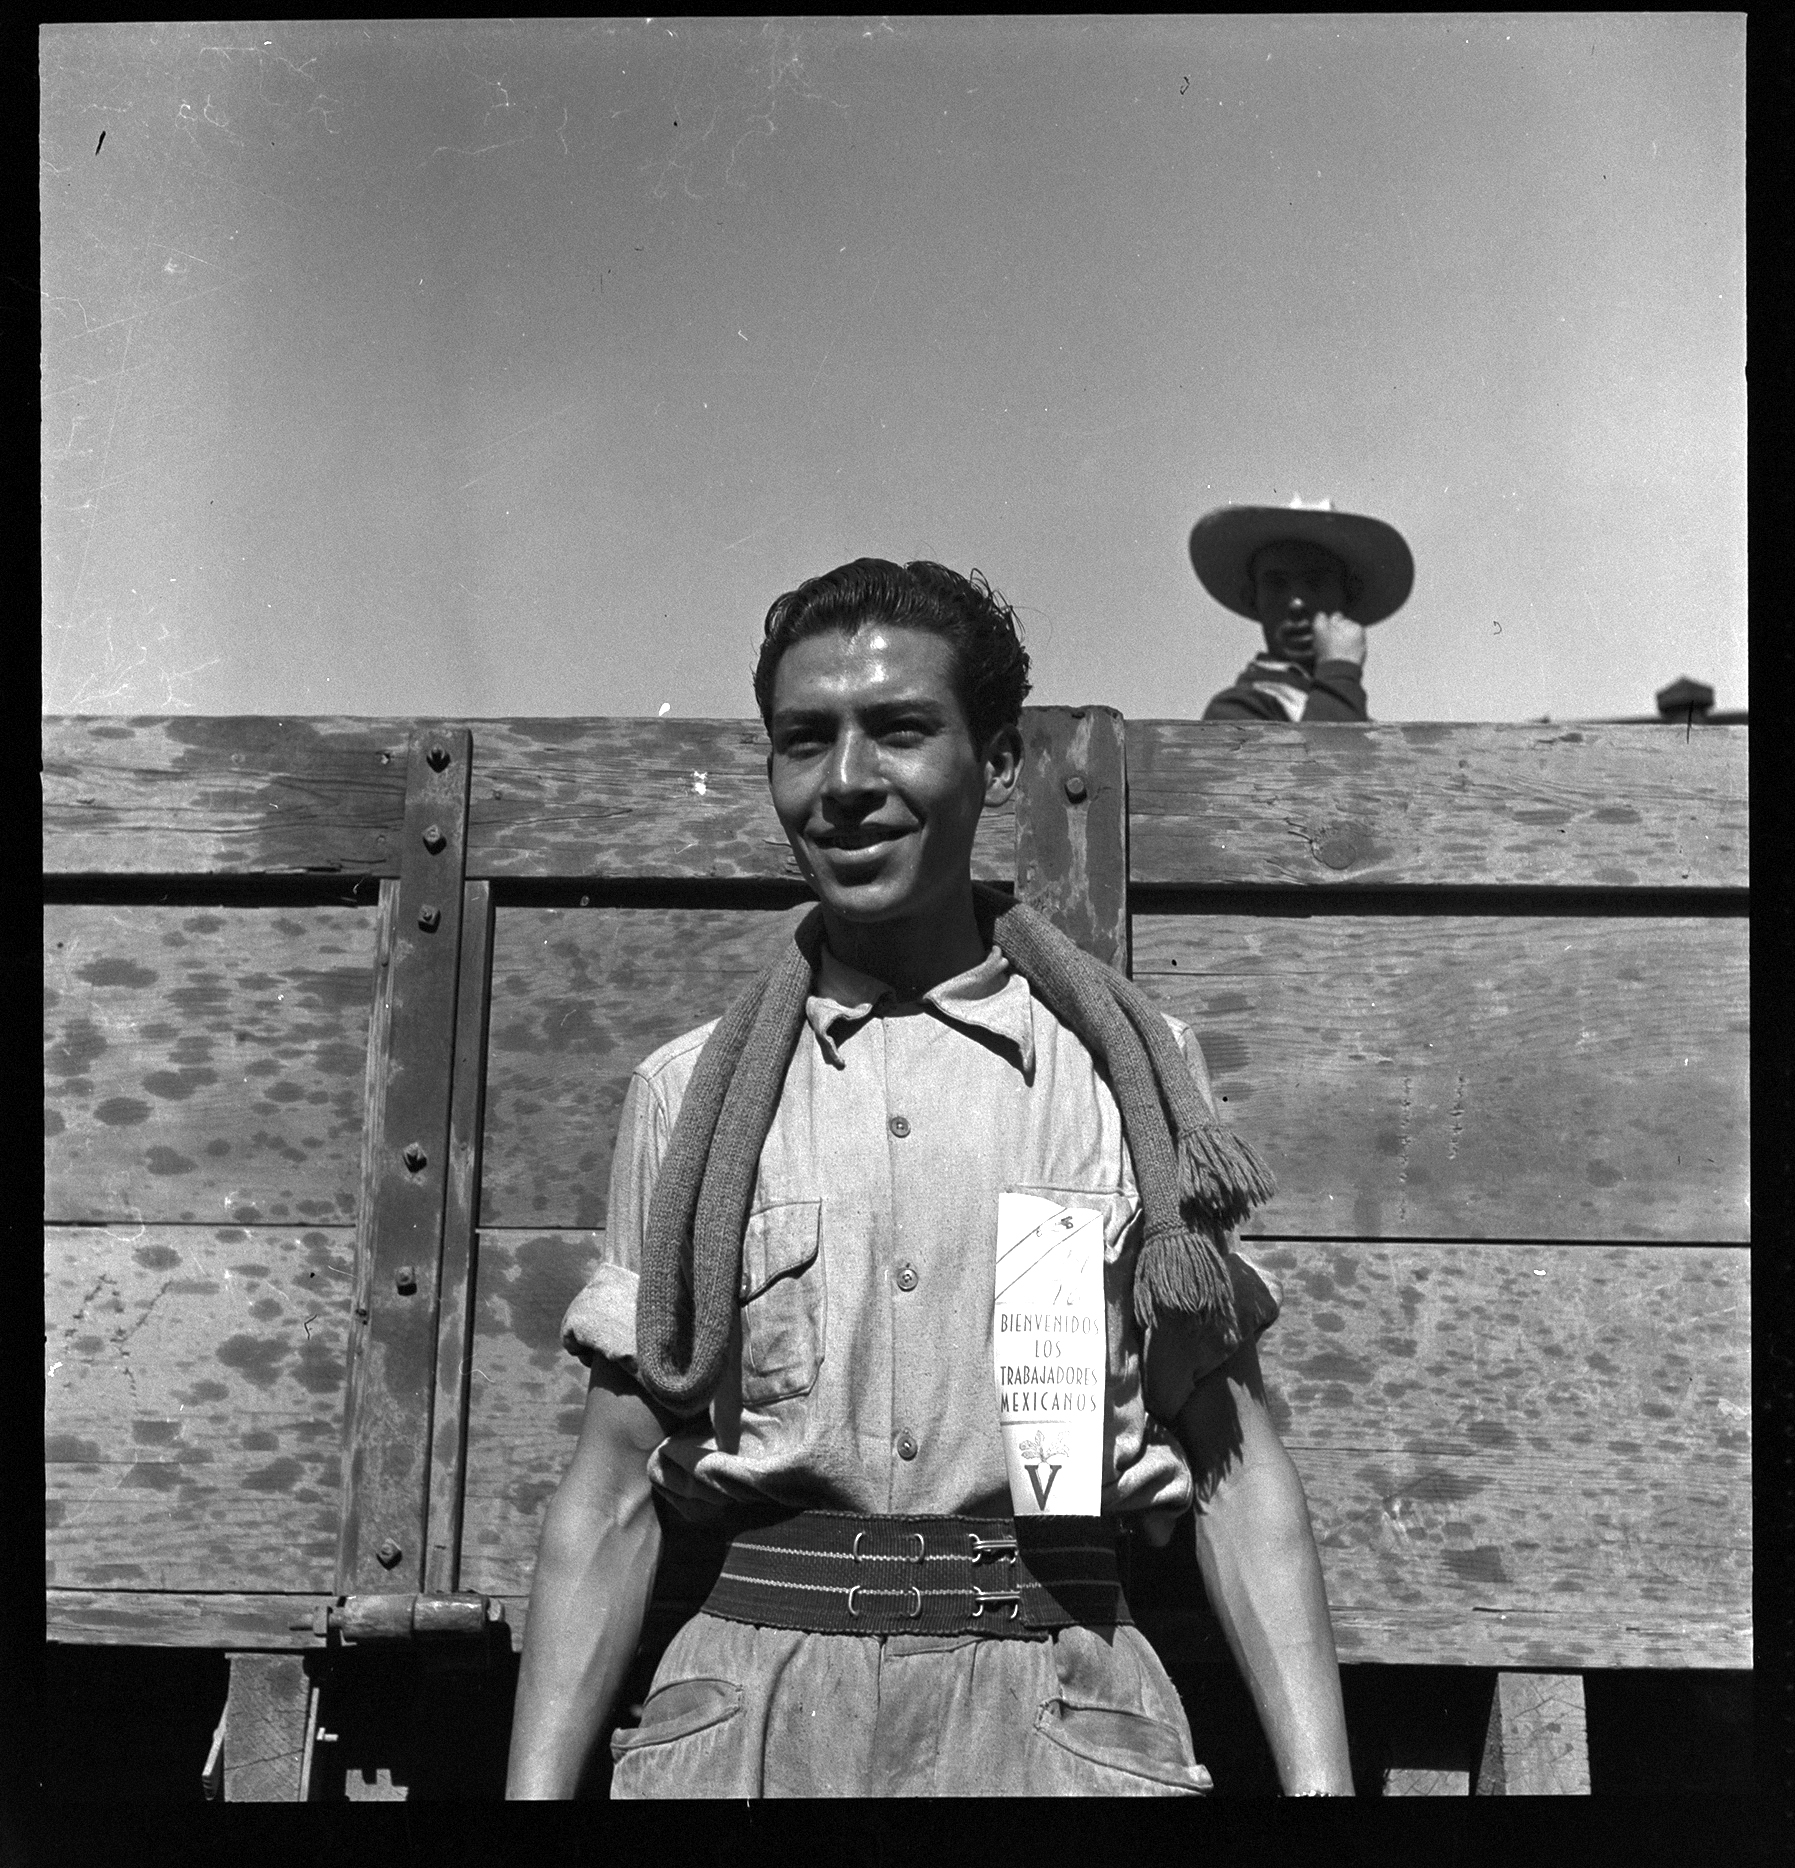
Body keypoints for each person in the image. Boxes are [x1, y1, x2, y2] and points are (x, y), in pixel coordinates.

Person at [505, 558, 1353, 1799]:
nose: (846, 782)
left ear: (998, 764)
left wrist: (1323, 1797)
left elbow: (1229, 1453)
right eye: (805, 740)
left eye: (898, 729)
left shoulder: (1130, 1074)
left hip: (1059, 1708)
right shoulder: (687, 1097)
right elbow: (611, 1492)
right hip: (746, 1725)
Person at [1190, 496, 1413, 721]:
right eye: (1276, 584)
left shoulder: (1359, 716)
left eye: (1316, 582)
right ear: (1253, 599)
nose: (1297, 604)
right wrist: (1338, 670)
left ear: (1348, 596)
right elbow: (1325, 754)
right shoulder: (1237, 710)